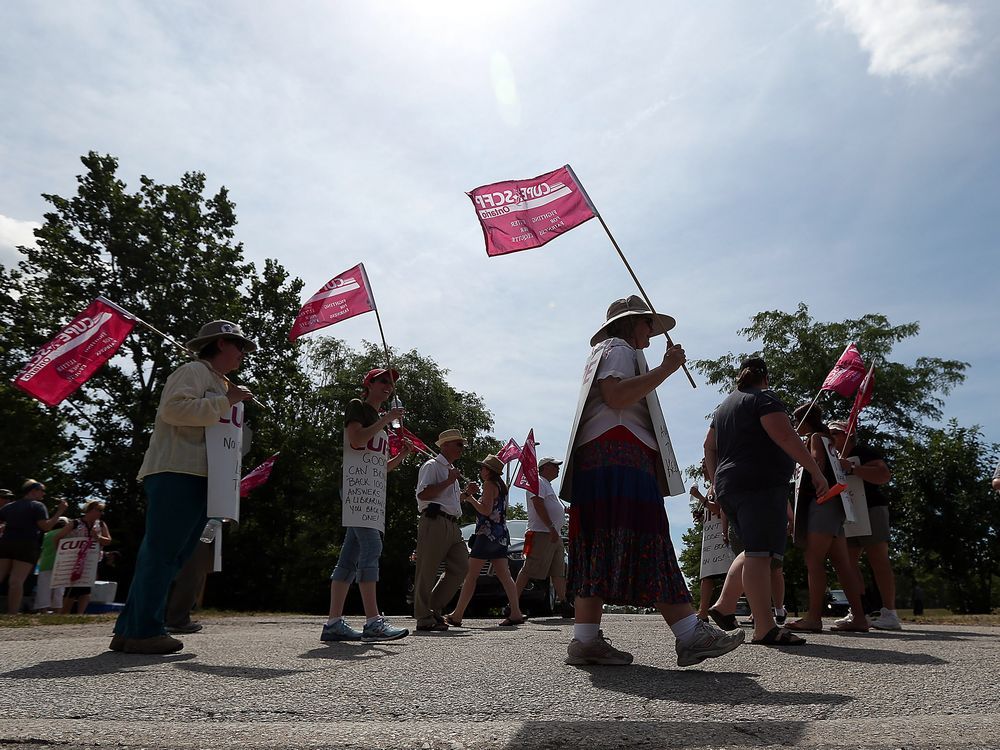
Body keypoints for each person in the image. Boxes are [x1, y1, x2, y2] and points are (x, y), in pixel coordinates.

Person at [561, 295, 744, 667]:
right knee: (651, 537)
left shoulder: (607, 350)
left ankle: (585, 639)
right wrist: (667, 368)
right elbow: (616, 396)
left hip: (600, 458)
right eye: (647, 324)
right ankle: (690, 634)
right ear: (631, 324)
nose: (651, 331)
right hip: (619, 454)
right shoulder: (618, 348)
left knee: (597, 543)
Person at [111, 320, 256, 654]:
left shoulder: (219, 382)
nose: (243, 354)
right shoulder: (192, 370)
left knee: (172, 555)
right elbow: (174, 410)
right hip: (177, 471)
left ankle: (131, 629)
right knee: (163, 552)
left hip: (201, 476)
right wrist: (227, 400)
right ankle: (144, 630)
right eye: (239, 346)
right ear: (221, 343)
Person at [703, 357, 830, 646]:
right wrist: (814, 471)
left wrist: (714, 481)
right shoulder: (764, 398)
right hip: (759, 483)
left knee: (752, 549)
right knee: (761, 555)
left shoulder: (723, 408)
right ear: (766, 378)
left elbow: (708, 445)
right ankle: (765, 627)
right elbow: (784, 435)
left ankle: (724, 605)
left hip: (729, 486)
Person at [321, 368, 412, 642]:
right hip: (355, 487)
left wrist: (402, 456)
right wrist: (387, 419)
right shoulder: (357, 406)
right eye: (383, 380)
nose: (388, 385)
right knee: (372, 546)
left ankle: (333, 623)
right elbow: (356, 439)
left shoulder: (378, 419)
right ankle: (373, 622)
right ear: (369, 384)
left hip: (369, 490)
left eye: (391, 382)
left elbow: (379, 467)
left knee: (349, 556)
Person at [784, 406, 868, 633]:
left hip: (821, 503)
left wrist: (796, 456)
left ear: (804, 421)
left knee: (814, 561)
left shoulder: (814, 438)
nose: (794, 425)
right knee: (842, 565)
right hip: (836, 504)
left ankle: (813, 617)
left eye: (796, 421)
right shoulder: (828, 439)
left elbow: (815, 463)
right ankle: (859, 617)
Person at [828, 421, 898, 630]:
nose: (831, 437)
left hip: (871, 509)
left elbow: (884, 475)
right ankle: (858, 611)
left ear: (848, 434)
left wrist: (854, 468)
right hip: (848, 512)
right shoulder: (829, 459)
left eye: (835, 433)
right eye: (828, 433)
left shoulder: (864, 452)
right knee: (847, 563)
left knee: (879, 559)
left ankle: (889, 612)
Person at [445, 454, 525, 627]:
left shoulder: (489, 485)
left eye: (482, 468)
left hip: (486, 534)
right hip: (501, 535)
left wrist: (470, 498)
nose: (480, 470)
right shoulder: (501, 487)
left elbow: (486, 510)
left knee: (471, 575)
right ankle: (516, 612)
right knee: (505, 575)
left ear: (488, 471)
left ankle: (458, 614)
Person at [413, 429, 479, 631]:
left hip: (451, 523)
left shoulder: (451, 471)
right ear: (445, 445)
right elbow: (423, 494)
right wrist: (449, 481)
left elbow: (450, 500)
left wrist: (466, 493)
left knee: (461, 566)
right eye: (459, 444)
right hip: (434, 521)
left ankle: (433, 608)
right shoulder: (432, 466)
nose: (462, 448)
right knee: (427, 569)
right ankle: (424, 617)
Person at [0, 480, 67, 614]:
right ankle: (12, 613)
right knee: (16, 580)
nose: (43, 493)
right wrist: (60, 511)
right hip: (26, 544)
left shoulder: (9, 507)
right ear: (33, 491)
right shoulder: (38, 506)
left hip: (6, 543)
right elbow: (46, 527)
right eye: (41, 490)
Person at [514, 456, 568, 613]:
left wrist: (562, 513)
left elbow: (550, 506)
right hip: (542, 533)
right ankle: (512, 603)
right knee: (528, 569)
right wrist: (551, 527)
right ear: (544, 468)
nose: (558, 468)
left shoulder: (547, 485)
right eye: (554, 465)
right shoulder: (537, 481)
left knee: (558, 571)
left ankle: (564, 603)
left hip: (553, 534)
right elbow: (537, 503)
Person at [56, 500, 112, 615]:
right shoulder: (75, 523)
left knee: (86, 588)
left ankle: (80, 614)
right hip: (74, 559)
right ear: (90, 510)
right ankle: (64, 614)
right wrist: (62, 554)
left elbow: (108, 541)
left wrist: (98, 537)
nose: (101, 513)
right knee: (72, 588)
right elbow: (58, 537)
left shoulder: (101, 524)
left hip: (92, 560)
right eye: (99, 510)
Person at [33, 517, 69, 613]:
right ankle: (57, 610)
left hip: (45, 563)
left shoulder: (46, 535)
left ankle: (43, 609)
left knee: (43, 588)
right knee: (59, 589)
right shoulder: (68, 534)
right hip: (62, 564)